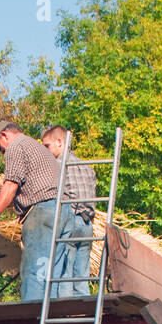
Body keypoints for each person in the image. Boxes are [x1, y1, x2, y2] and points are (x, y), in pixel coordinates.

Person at [0, 120, 77, 302]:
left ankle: (32, 318)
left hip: (43, 212)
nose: (3, 153)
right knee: (54, 273)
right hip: (65, 211)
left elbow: (11, 184)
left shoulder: (16, 147)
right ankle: (53, 316)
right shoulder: (37, 146)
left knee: (35, 268)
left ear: (4, 135)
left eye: (1, 148)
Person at [42, 125, 97, 296]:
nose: (46, 151)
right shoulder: (86, 166)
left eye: (47, 146)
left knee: (63, 275)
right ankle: (82, 314)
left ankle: (65, 316)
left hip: (70, 221)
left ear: (59, 142)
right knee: (81, 277)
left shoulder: (57, 165)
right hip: (87, 224)